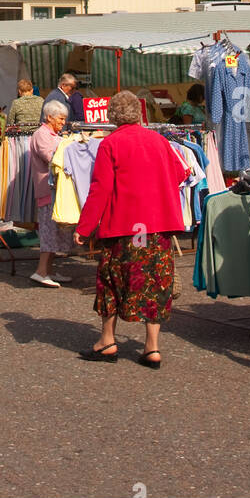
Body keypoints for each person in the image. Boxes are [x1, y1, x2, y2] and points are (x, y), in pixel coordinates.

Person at [75, 90, 189, 366]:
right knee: (155, 282)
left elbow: (100, 189)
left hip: (124, 226)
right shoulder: (159, 141)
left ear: (112, 116)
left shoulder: (110, 144)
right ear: (138, 113)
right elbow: (182, 173)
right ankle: (152, 347)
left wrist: (84, 226)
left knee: (112, 280)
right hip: (156, 227)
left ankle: (107, 341)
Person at [28, 99, 74, 286]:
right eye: (61, 119)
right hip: (47, 189)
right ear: (49, 117)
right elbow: (50, 157)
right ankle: (40, 271)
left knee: (54, 231)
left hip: (55, 190)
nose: (63, 122)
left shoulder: (53, 134)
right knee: (48, 231)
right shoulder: (41, 134)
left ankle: (49, 271)